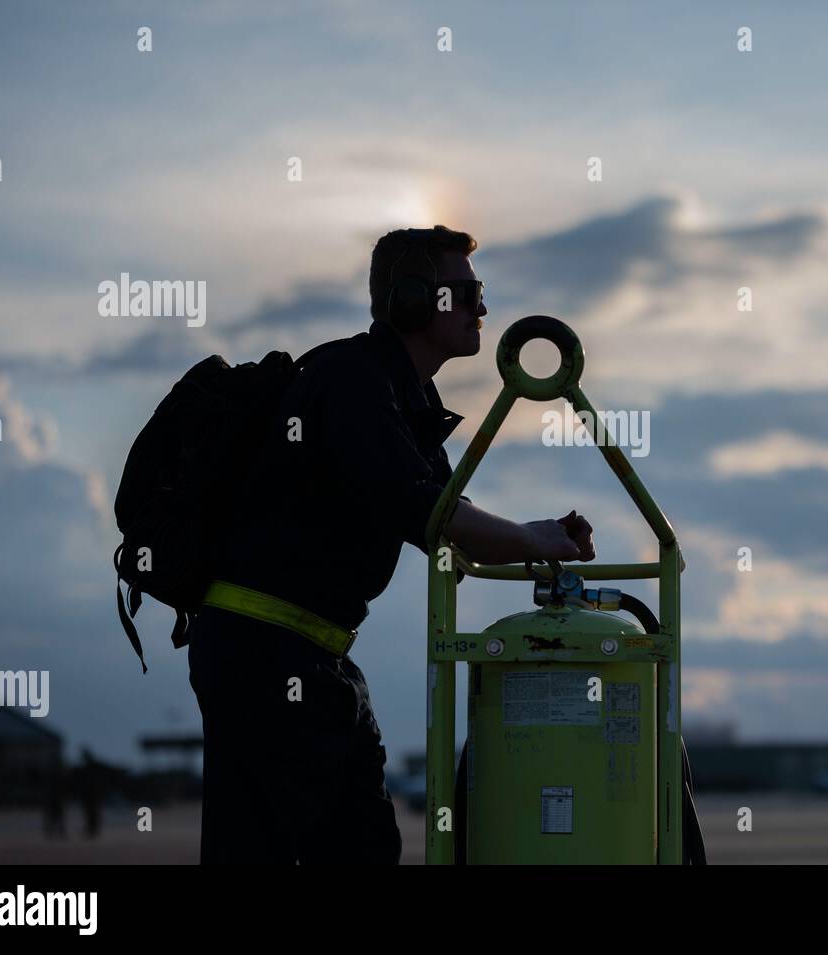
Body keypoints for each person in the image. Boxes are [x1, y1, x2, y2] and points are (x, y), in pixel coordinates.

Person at [185, 225, 595, 864]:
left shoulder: (405, 397)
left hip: (309, 652)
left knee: (354, 845)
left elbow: (450, 519)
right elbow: (430, 514)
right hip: (267, 653)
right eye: (465, 293)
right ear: (411, 300)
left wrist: (536, 535)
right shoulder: (353, 381)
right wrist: (524, 538)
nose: (481, 309)